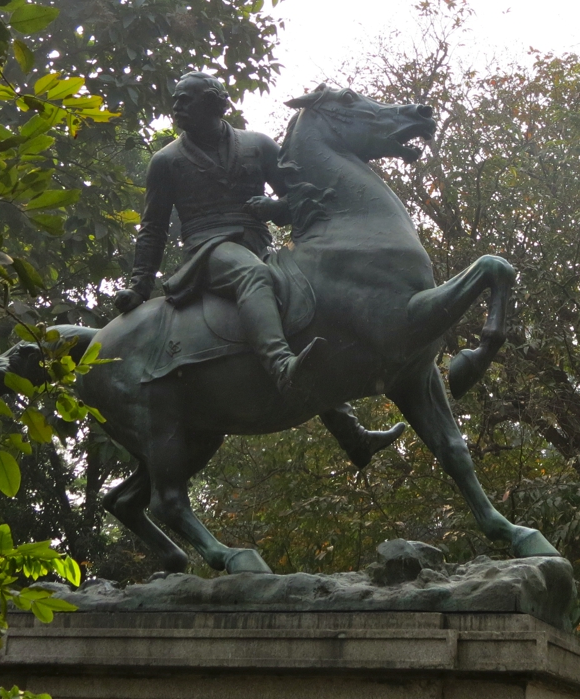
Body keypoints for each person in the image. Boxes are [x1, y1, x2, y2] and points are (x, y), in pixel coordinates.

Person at [114, 71, 403, 468]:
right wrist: (138, 286)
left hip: (261, 246)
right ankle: (282, 366)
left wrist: (274, 209)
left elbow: (297, 200)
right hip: (210, 251)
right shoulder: (166, 162)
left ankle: (351, 435)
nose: (177, 106)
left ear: (215, 103)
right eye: (175, 99)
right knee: (254, 276)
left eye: (187, 99)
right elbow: (153, 229)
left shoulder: (257, 145)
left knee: (312, 307)